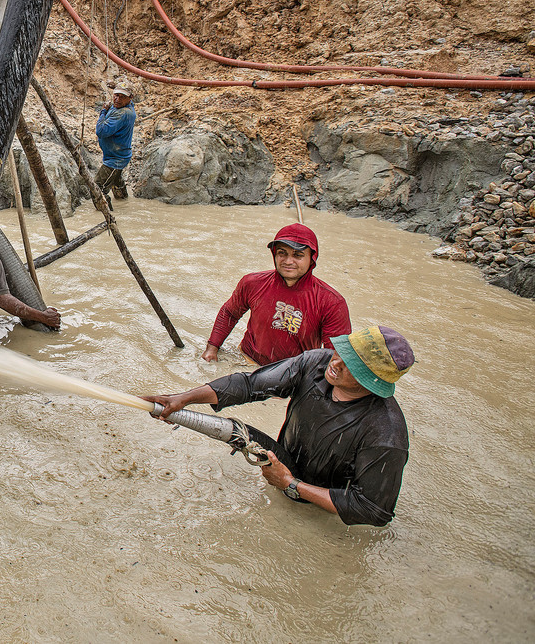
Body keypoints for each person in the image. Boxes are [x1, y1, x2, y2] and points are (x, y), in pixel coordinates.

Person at [142, 325, 415, 526]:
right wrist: (183, 399)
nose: (337, 362)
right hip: (285, 464)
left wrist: (292, 484)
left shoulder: (386, 432)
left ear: (372, 382)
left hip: (322, 501)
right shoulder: (317, 362)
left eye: (353, 366)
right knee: (238, 432)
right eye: (343, 352)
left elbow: (373, 510)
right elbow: (250, 385)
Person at [202, 223, 350, 365]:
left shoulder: (331, 302)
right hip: (247, 360)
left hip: (294, 375)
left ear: (312, 258)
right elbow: (229, 313)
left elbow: (336, 355)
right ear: (274, 254)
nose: (288, 261)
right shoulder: (252, 283)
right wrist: (212, 348)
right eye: (282, 253)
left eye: (297, 255)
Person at [94, 86, 136, 200]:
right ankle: (124, 205)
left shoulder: (123, 113)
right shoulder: (123, 107)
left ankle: (107, 216)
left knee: (97, 189)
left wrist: (103, 111)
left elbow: (101, 131)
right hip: (118, 155)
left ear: (130, 98)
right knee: (116, 183)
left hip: (116, 159)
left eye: (122, 97)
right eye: (116, 95)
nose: (117, 99)